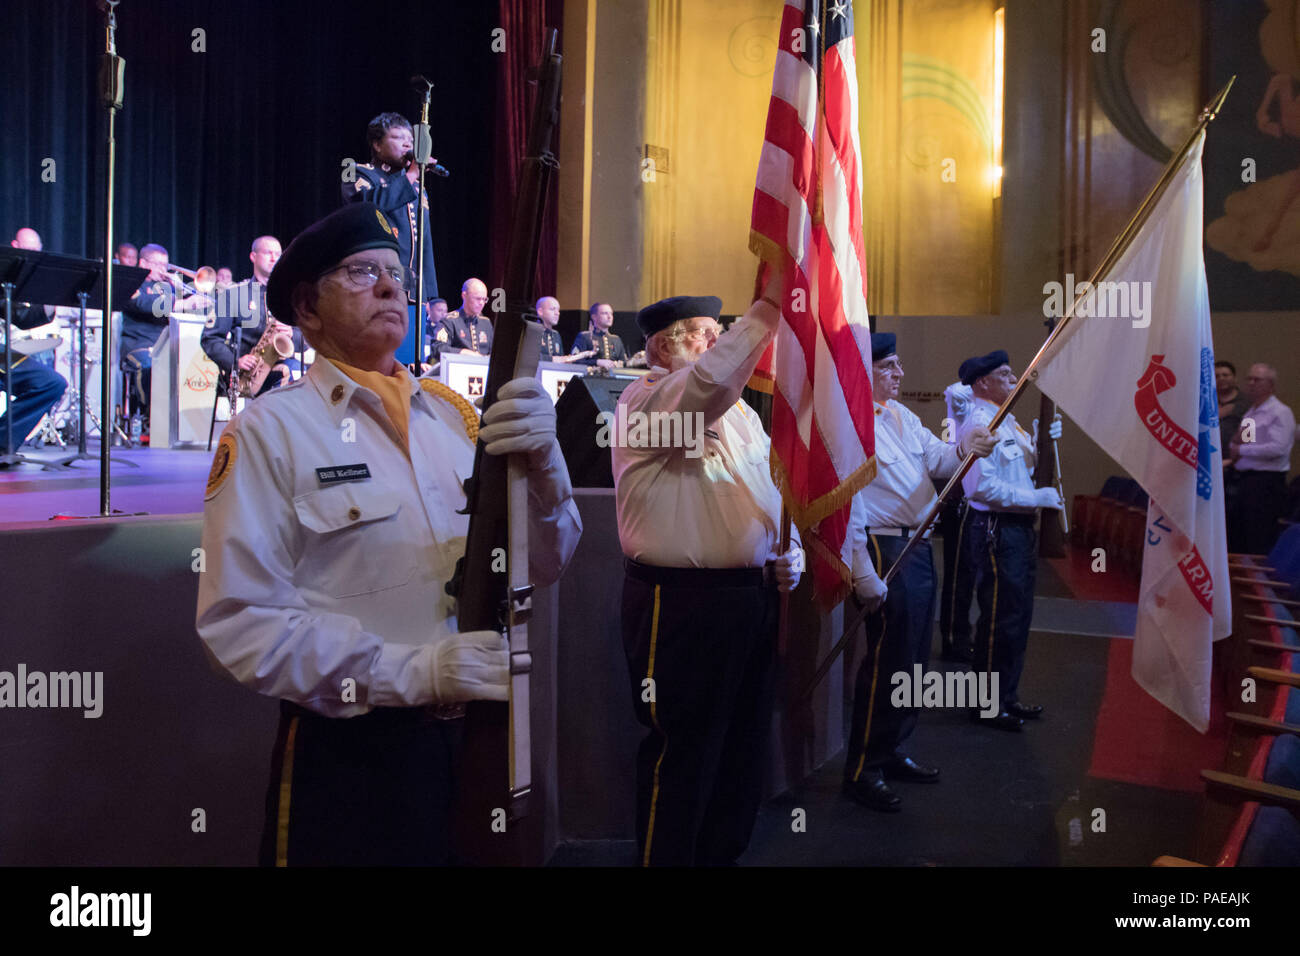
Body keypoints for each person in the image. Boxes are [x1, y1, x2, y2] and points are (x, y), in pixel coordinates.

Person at [195, 203, 581, 866]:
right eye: (361, 272)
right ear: (307, 309)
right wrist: (412, 670)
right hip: (351, 750)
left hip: (475, 742)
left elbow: (541, 564)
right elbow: (239, 622)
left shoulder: (457, 422)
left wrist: (548, 473)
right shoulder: (269, 432)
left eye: (397, 276)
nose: (389, 288)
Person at [613, 282, 803, 866]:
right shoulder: (644, 403)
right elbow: (704, 387)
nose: (718, 342)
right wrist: (768, 310)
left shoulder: (741, 413)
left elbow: (769, 490)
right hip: (683, 605)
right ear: (662, 350)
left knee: (742, 754)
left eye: (719, 334)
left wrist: (784, 550)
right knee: (686, 755)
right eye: (703, 335)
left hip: (749, 599)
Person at [841, 334, 995, 812]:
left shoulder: (903, 417)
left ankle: (891, 751)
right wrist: (860, 566)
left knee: (913, 660)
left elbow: (939, 459)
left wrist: (967, 440)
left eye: (899, 364)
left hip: (919, 543)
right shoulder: (851, 423)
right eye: (889, 366)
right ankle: (863, 767)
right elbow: (846, 503)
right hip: (886, 545)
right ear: (865, 371)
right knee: (888, 660)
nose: (900, 374)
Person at [956, 350, 1063, 731]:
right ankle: (986, 703)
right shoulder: (977, 425)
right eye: (1004, 373)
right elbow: (980, 487)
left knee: (1017, 615)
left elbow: (1023, 468)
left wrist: (1040, 441)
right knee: (999, 616)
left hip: (1017, 529)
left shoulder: (1009, 420)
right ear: (982, 382)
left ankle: (1006, 695)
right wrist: (1036, 498)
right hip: (996, 527)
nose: (1013, 377)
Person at [342, 111, 438, 310]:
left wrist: (429, 294)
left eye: (410, 140)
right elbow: (368, 208)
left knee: (412, 340)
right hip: (375, 282)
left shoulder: (417, 187)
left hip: (412, 290)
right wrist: (411, 175)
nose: (407, 145)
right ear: (377, 145)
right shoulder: (357, 171)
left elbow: (424, 242)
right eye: (398, 138)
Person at [200, 235, 303, 397]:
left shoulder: (289, 296)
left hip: (281, 367)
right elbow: (210, 339)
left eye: (278, 254)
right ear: (253, 256)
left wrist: (292, 334)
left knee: (298, 371)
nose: (274, 258)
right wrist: (236, 362)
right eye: (268, 253)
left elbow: (307, 338)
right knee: (291, 371)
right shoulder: (234, 295)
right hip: (246, 376)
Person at [119, 243, 207, 427]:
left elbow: (189, 310)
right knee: (149, 366)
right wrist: (180, 302)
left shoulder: (169, 288)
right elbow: (141, 303)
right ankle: (146, 416)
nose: (163, 270)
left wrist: (181, 289)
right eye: (158, 264)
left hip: (167, 346)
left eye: (165, 265)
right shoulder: (132, 282)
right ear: (143, 263)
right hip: (139, 345)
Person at [1228, 363, 1296, 553]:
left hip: (1266, 483)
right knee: (1239, 534)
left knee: (1258, 537)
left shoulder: (1281, 412)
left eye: (1257, 380)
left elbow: (1279, 449)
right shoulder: (1251, 412)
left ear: (1271, 385)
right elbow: (1244, 442)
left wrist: (1241, 451)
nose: (1251, 383)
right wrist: (1235, 447)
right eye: (1248, 379)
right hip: (1246, 480)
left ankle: (1255, 579)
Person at [433, 278, 494, 358]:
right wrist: (464, 352)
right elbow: (438, 348)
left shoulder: (486, 323)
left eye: (484, 299)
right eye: (478, 299)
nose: (481, 303)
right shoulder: (450, 320)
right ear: (464, 296)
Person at [534, 295, 589, 364]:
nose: (557, 313)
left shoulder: (555, 334)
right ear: (540, 312)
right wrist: (554, 359)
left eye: (558, 310)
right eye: (552, 309)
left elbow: (560, 358)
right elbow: (528, 357)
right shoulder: (532, 331)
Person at [572, 302, 628, 369]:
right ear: (594, 317)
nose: (609, 317)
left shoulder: (616, 339)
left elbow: (624, 362)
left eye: (611, 313)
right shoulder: (585, 337)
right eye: (605, 313)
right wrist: (597, 362)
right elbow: (574, 360)